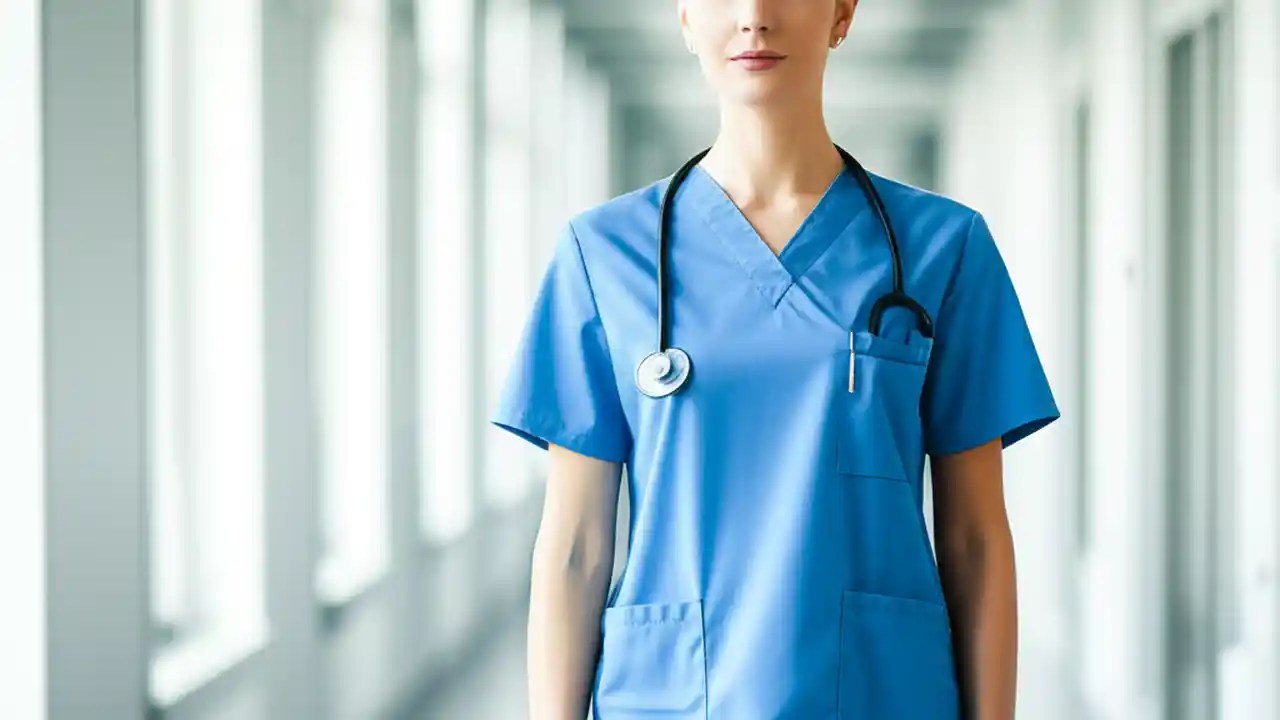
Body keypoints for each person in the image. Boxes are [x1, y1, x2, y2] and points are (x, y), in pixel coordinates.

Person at [490, 1, 1060, 718]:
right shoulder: (604, 255)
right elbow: (575, 547)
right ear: (686, 17)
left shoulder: (944, 248)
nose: (755, 15)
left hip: (880, 694)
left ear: (843, 12)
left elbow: (976, 538)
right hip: (667, 699)